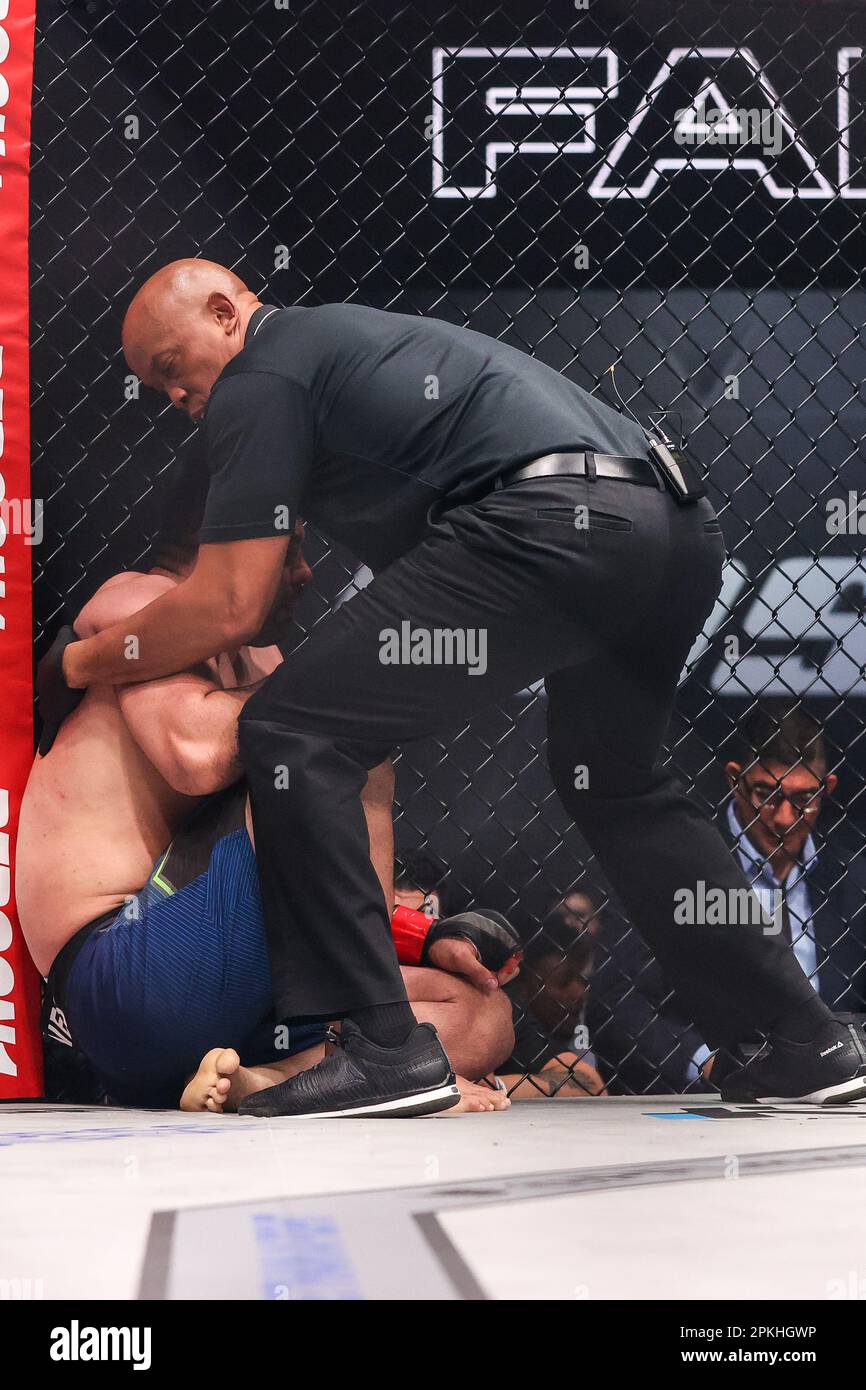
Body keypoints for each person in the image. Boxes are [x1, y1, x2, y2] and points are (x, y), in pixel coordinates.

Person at [36, 258, 866, 1113]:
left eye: (173, 371)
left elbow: (231, 603)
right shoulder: (353, 357)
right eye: (157, 389)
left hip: (550, 523)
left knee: (293, 734)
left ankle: (382, 1052)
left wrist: (74, 663)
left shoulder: (265, 366)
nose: (178, 401)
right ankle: (804, 1041)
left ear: (225, 311)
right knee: (616, 780)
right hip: (672, 524)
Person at [20, 505, 514, 1113]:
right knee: (339, 745)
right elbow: (196, 753)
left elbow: (310, 864)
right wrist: (355, 665)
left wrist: (419, 936)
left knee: (481, 1014)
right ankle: (382, 1063)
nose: (306, 573)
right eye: (290, 550)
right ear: (224, 546)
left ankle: (264, 1080)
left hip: (234, 994)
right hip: (129, 976)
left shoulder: (264, 657)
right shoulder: (138, 602)